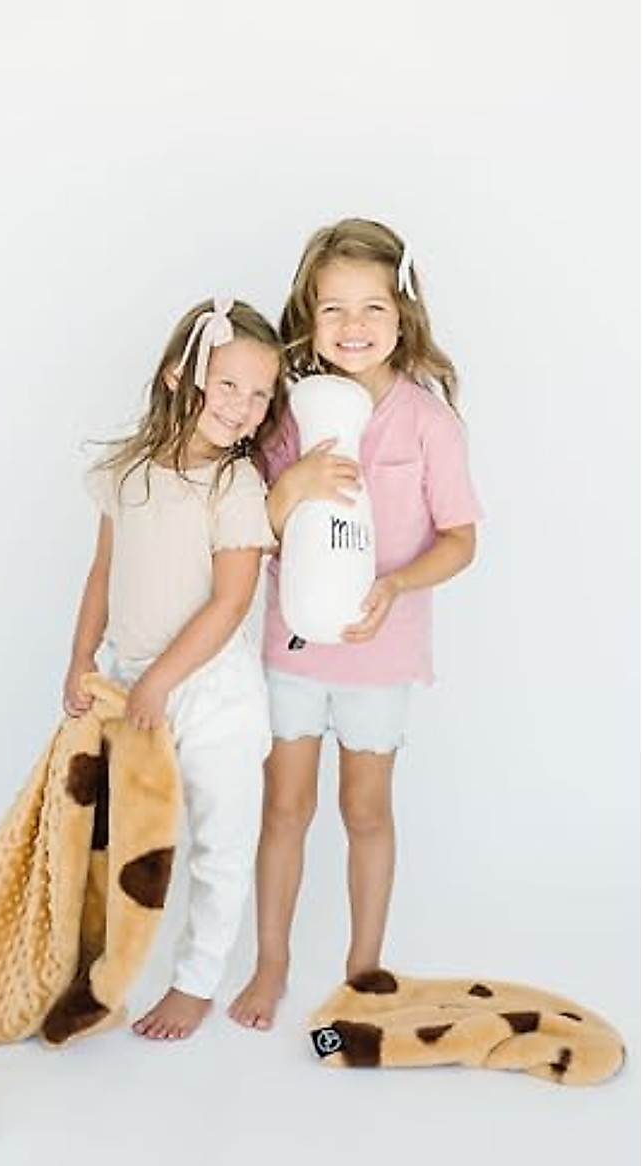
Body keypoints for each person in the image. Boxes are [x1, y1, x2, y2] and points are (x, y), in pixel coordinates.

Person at [228, 218, 482, 1031]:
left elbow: (461, 538)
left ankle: (364, 967)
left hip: (382, 654)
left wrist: (397, 584)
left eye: (372, 307)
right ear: (309, 316)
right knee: (284, 808)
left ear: (402, 315)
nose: (353, 326)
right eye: (333, 309)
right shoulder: (286, 417)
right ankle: (271, 963)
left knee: (366, 810)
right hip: (294, 651)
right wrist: (292, 484)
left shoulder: (428, 422)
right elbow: (254, 530)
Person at [63, 297, 285, 1039]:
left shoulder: (236, 487)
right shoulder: (127, 473)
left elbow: (230, 602)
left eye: (259, 395)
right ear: (177, 377)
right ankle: (100, 970)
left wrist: (162, 681)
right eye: (227, 385)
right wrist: (82, 657)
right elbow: (103, 572)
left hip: (211, 689)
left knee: (221, 843)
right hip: (130, 680)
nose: (242, 406)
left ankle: (196, 982)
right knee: (123, 838)